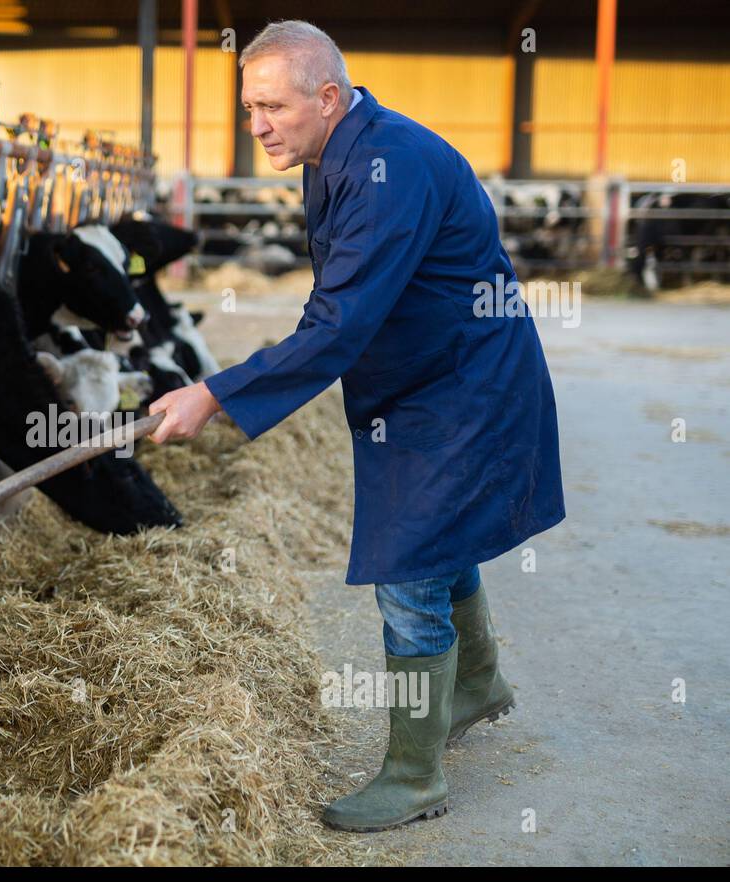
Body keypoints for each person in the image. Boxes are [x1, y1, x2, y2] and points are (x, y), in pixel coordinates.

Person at [148, 20, 566, 831]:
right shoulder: (338, 152)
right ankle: (477, 685)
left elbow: (339, 324)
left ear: (328, 97)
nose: (257, 124)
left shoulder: (387, 169)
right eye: (248, 107)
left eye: (272, 106)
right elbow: (339, 302)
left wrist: (219, 392)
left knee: (407, 564)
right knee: (433, 540)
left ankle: (415, 778)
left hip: (463, 388)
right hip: (425, 380)